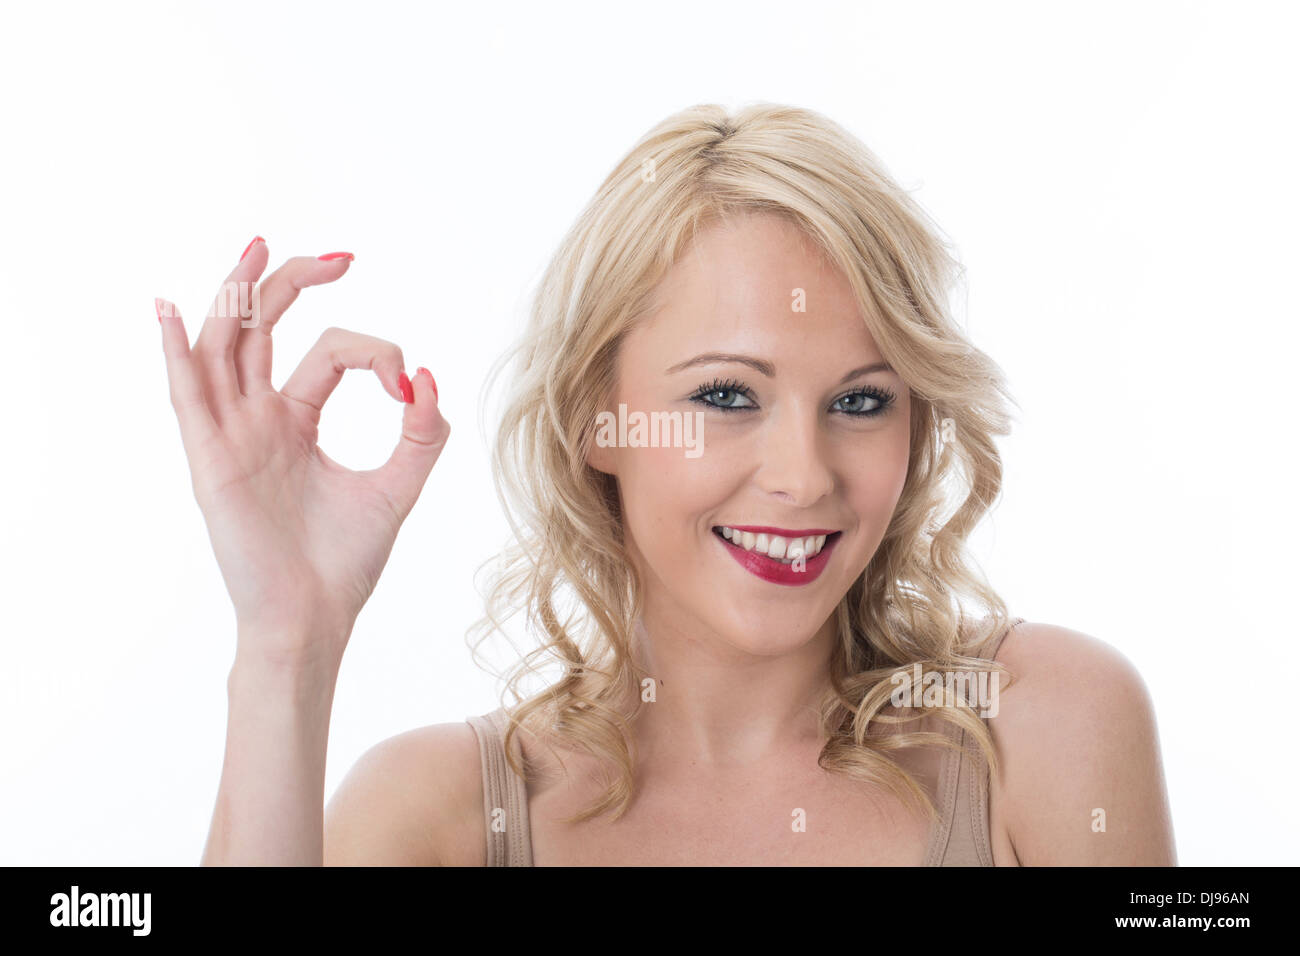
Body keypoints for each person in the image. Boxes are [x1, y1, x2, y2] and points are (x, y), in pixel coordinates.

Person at [159, 103, 1176, 866]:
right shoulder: (439, 810)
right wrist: (287, 641)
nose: (801, 475)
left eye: (862, 402)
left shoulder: (1042, 723)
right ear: (599, 415)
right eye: (728, 393)